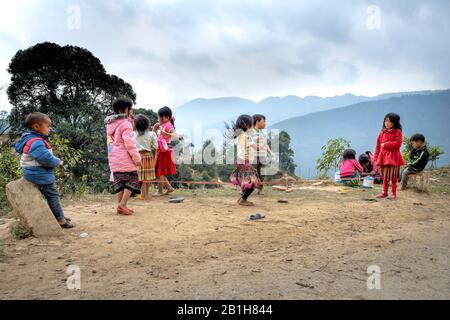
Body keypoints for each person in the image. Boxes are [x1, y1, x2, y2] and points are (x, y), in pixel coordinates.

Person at [14, 112, 75, 228]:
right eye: (48, 126)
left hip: (32, 172)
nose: (50, 129)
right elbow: (45, 158)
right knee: (52, 195)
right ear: (36, 127)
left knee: (49, 195)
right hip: (38, 174)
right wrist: (57, 161)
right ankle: (60, 220)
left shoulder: (29, 138)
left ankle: (57, 215)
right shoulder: (36, 141)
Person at [105, 96, 142, 215]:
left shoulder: (110, 124)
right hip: (125, 159)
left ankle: (120, 206)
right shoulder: (125, 124)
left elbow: (110, 144)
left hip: (113, 158)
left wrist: (112, 157)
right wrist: (137, 159)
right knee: (133, 179)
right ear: (126, 109)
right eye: (130, 109)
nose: (131, 111)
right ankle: (122, 204)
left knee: (119, 182)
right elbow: (130, 144)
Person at [230, 115, 261, 206]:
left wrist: (257, 147)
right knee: (253, 181)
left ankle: (242, 198)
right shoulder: (244, 136)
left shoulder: (245, 136)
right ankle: (243, 199)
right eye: (252, 125)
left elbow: (252, 145)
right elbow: (242, 149)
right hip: (244, 162)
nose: (253, 127)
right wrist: (243, 161)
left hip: (244, 162)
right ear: (247, 125)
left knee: (251, 181)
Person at [374, 113, 406, 200]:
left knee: (394, 177)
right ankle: (384, 193)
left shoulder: (398, 132)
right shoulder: (382, 133)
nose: (387, 123)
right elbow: (378, 146)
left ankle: (393, 193)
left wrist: (386, 144)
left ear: (395, 123)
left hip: (393, 158)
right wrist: (376, 157)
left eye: (390, 121)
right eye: (386, 121)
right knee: (385, 177)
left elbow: (398, 144)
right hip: (383, 158)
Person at [153, 106, 177, 196]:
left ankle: (160, 191)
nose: (158, 119)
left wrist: (165, 133)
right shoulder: (161, 125)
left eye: (160, 117)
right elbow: (154, 135)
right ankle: (169, 188)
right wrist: (155, 128)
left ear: (167, 117)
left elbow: (175, 135)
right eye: (158, 117)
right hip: (160, 150)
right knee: (159, 171)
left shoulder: (169, 125)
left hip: (165, 150)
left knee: (159, 171)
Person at [134, 114, 158, 200]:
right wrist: (149, 147)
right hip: (148, 156)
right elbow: (155, 146)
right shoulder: (152, 134)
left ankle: (142, 194)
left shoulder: (133, 134)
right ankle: (146, 194)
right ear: (147, 124)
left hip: (138, 156)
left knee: (141, 176)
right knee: (148, 176)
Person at [252, 114, 273, 195]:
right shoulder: (251, 132)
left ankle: (259, 190)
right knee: (252, 174)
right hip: (254, 156)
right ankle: (245, 190)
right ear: (257, 122)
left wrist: (270, 152)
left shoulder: (261, 132)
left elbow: (265, 144)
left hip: (262, 156)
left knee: (261, 174)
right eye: (263, 121)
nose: (265, 123)